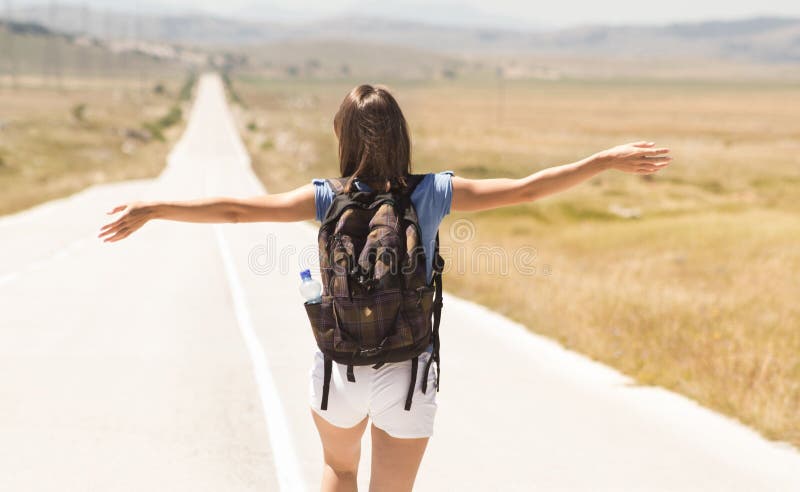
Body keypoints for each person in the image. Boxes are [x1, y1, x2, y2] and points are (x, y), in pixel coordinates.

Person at [98, 84, 671, 491]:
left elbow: (234, 213)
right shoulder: (433, 193)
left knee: (340, 472)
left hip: (339, 370)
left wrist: (154, 205)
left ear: (344, 137)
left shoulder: (325, 197)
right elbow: (525, 190)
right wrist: (602, 159)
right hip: (407, 377)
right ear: (401, 135)